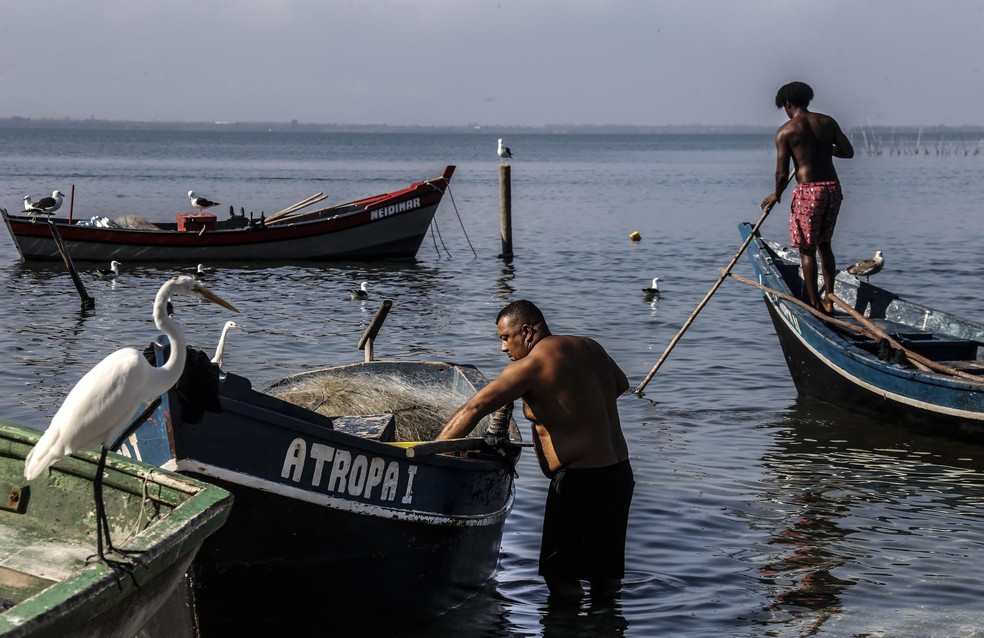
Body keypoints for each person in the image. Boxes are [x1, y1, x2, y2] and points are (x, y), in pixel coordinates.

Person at [437, 300, 634, 599]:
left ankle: (564, 629)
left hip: (579, 483)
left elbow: (474, 408)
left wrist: (434, 454)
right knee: (605, 576)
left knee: (562, 580)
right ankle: (605, 626)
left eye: (505, 337)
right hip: (619, 474)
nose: (503, 348)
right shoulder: (590, 346)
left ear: (527, 331)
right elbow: (621, 384)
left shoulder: (530, 366)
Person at [760, 81, 854, 314]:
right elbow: (847, 152)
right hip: (832, 188)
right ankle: (829, 299)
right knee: (825, 245)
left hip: (809, 191)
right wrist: (823, 148)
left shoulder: (786, 131)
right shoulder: (827, 122)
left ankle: (814, 304)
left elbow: (782, 172)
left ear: (788, 103)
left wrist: (777, 194)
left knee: (806, 249)